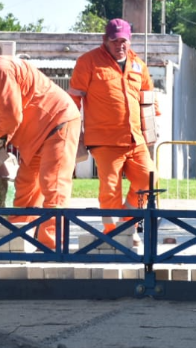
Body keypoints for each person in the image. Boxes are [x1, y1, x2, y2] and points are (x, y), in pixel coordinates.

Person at [0, 46, 80, 249]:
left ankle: (52, 247)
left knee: (53, 184)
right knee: (26, 185)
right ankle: (15, 241)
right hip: (36, 134)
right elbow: (0, 111)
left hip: (56, 123)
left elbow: (11, 115)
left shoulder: (0, 69)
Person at [68, 18, 160, 234]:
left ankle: (127, 222)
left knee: (150, 180)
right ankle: (112, 233)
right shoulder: (88, 62)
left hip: (135, 139)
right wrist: (75, 133)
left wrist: (153, 127)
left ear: (130, 41)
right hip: (105, 140)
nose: (120, 46)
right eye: (115, 41)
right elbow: (73, 100)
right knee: (110, 189)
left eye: (124, 41)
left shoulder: (138, 64)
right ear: (105, 40)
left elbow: (148, 99)